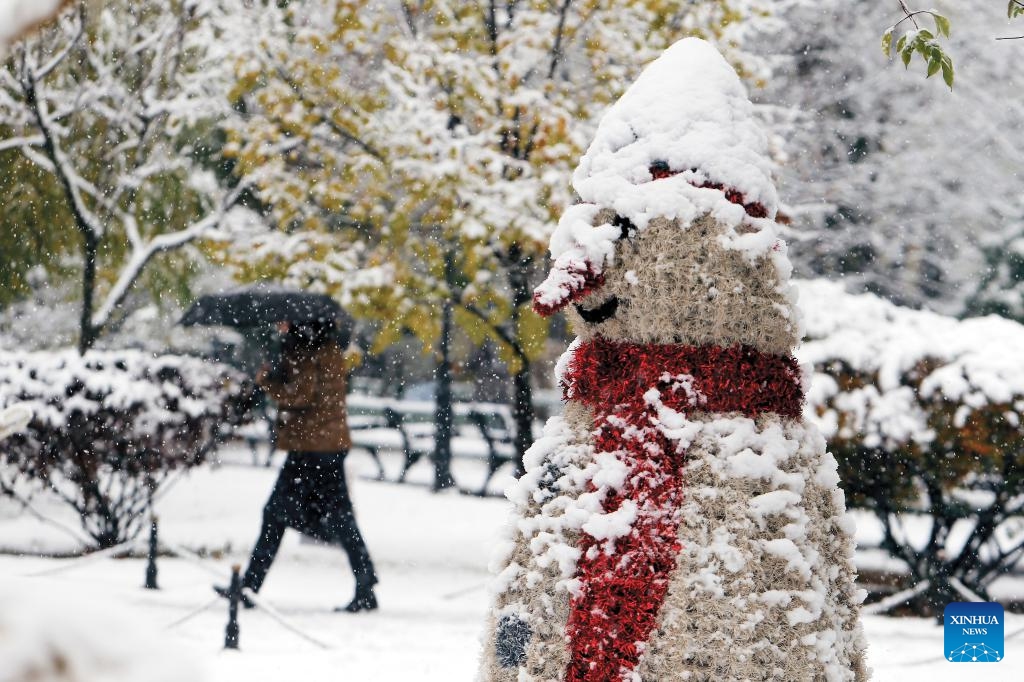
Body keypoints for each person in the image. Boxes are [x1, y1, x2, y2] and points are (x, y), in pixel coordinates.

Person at [216, 319, 378, 612]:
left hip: (312, 448)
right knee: (335, 517)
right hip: (325, 445)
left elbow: (301, 395)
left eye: (284, 323)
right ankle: (365, 582)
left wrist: (268, 381)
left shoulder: (305, 351)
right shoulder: (326, 348)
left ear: (298, 324)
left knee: (278, 514)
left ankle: (251, 586)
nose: (278, 326)